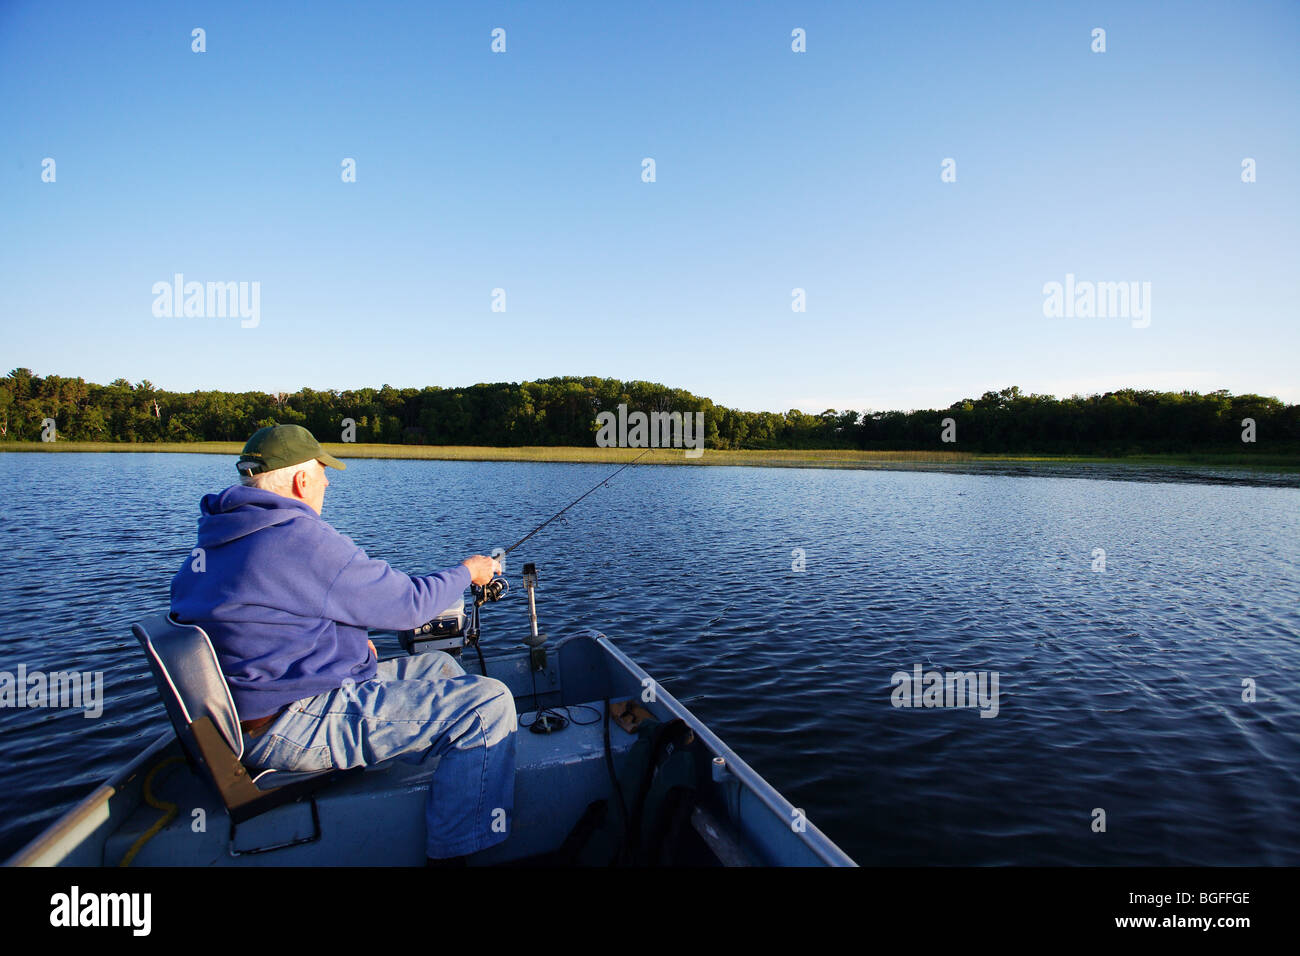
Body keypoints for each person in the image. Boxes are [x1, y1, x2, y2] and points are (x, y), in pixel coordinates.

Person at [169, 423, 516, 863]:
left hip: (248, 715)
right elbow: (410, 606)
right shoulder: (298, 537)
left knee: (440, 668)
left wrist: (342, 642)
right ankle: (456, 853)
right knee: (487, 704)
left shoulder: (218, 539)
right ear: (301, 480)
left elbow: (250, 619)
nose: (328, 481)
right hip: (286, 725)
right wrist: (469, 572)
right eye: (322, 471)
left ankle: (451, 780)